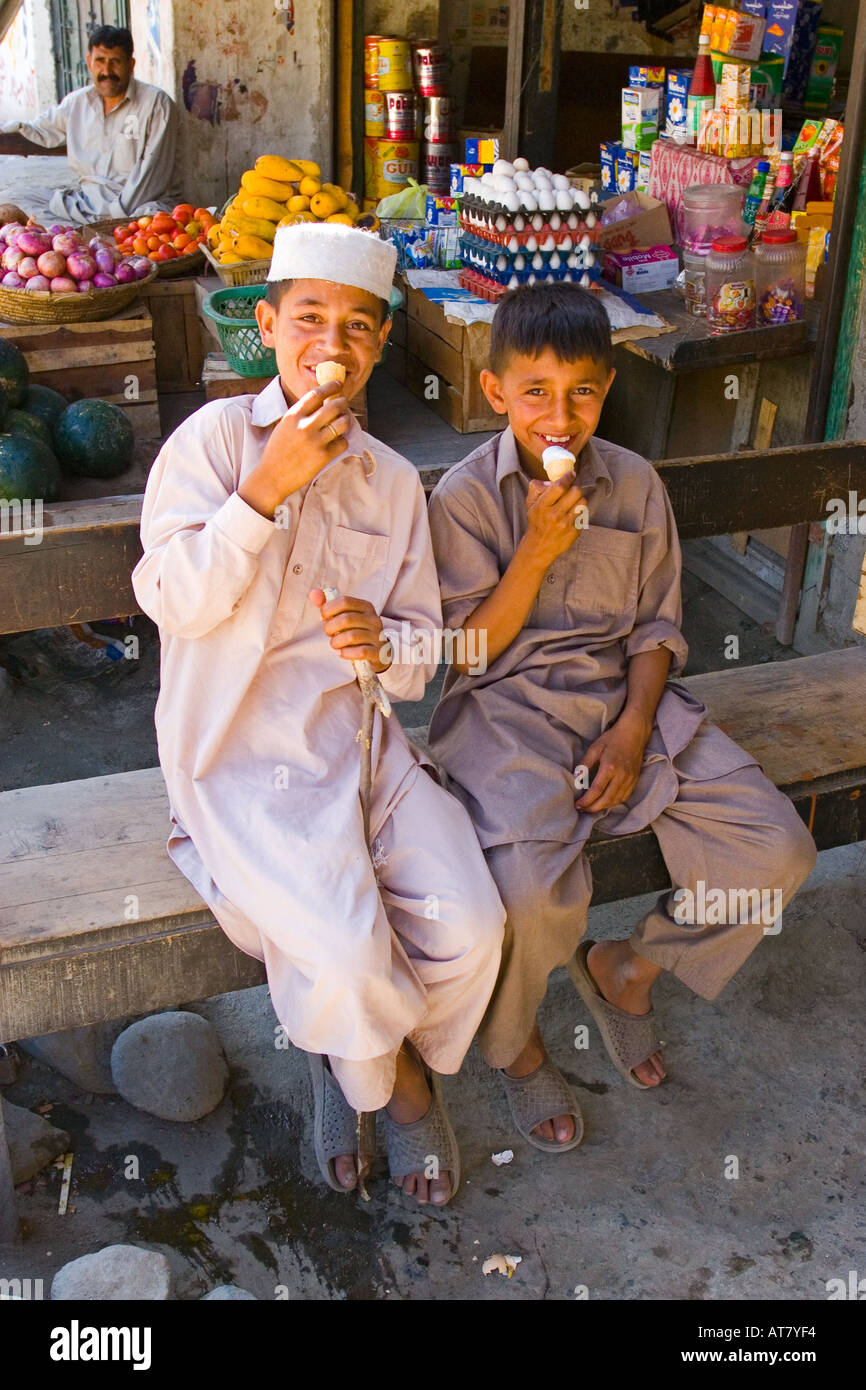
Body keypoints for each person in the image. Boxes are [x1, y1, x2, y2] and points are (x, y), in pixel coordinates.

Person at [130, 222, 505, 1207]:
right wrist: (262, 491)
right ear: (265, 326)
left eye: (355, 327)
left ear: (381, 346)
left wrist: (383, 646)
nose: (329, 346)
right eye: (306, 320)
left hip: (363, 752)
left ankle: (346, 1046)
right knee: (340, 950)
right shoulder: (211, 444)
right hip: (236, 762)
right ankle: (391, 1083)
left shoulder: (390, 480)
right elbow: (171, 597)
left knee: (472, 928)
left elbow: (423, 654)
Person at [426, 282, 817, 1154]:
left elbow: (655, 628)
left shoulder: (634, 484)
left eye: (583, 393)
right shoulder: (462, 500)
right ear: (495, 393)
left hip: (628, 704)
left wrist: (637, 727)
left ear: (608, 388)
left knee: (778, 851)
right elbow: (463, 656)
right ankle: (517, 1044)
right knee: (528, 900)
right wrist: (536, 551)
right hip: (506, 717)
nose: (559, 417)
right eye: (535, 392)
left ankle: (626, 967)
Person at [0, 25, 178, 224]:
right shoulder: (76, 103)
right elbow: (39, 129)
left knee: (154, 220)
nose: (107, 71)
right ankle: (78, 235)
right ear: (89, 63)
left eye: (116, 62)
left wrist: (115, 218)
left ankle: (85, 235)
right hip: (84, 205)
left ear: (131, 64)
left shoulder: (155, 103)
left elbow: (152, 176)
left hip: (136, 207)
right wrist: (7, 128)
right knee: (9, 198)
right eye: (100, 61)